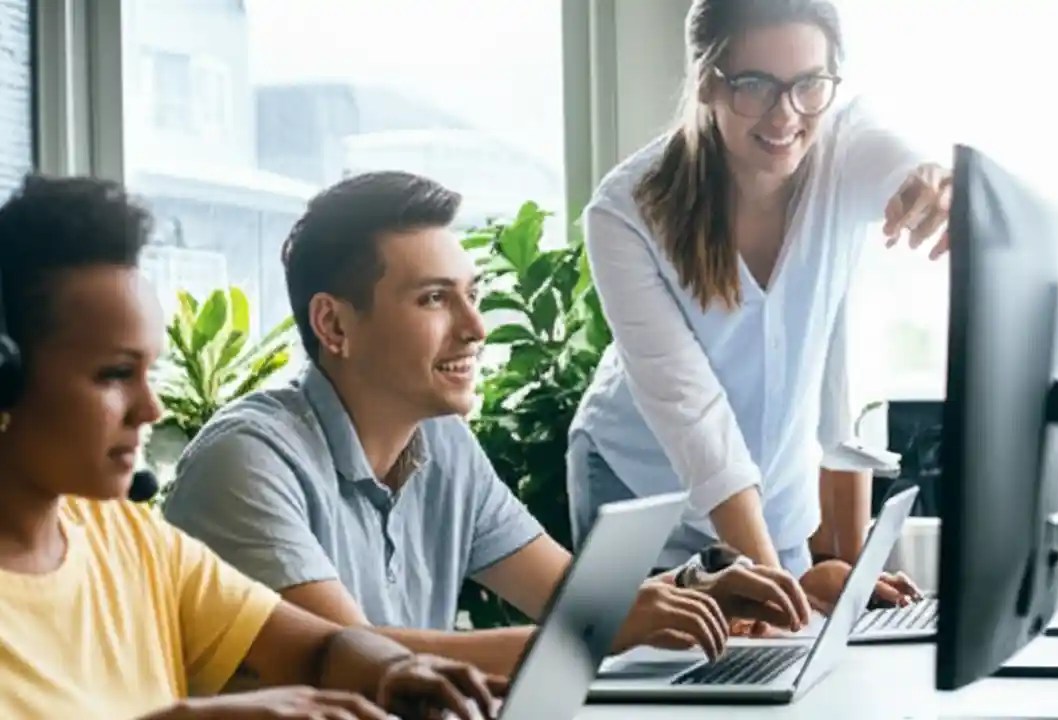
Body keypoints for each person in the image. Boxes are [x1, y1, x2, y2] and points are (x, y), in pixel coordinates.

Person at [163, 171, 813, 678]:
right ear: (334, 325)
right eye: (433, 298)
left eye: (471, 293)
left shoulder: (440, 442)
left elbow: (568, 596)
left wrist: (699, 589)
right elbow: (350, 663)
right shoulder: (246, 462)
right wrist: (592, 630)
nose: (475, 327)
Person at [0, 175, 503, 720]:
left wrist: (393, 669)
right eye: (115, 374)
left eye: (150, 371)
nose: (151, 409)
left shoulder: (134, 542)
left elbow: (321, 647)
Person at [567, 0, 945, 607]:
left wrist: (927, 180)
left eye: (808, 85)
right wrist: (781, 593)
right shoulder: (626, 212)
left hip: (773, 496)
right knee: (663, 678)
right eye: (755, 85)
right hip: (642, 481)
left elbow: (890, 156)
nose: (785, 113)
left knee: (779, 663)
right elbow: (693, 415)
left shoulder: (843, 148)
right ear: (706, 82)